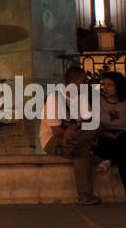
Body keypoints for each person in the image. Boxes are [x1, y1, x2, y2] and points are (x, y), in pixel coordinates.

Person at [39, 67, 100, 205]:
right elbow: (55, 129)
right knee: (82, 148)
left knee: (98, 126)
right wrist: (71, 133)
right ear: (76, 82)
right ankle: (85, 194)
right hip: (53, 140)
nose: (86, 84)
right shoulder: (54, 98)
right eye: (84, 81)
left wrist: (74, 128)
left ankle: (85, 195)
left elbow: (89, 121)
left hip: (73, 138)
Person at [93, 71, 126, 205]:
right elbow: (95, 126)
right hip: (105, 136)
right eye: (104, 85)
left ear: (118, 86)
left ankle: (109, 159)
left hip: (124, 136)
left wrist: (122, 134)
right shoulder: (98, 102)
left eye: (109, 85)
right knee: (125, 155)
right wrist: (108, 134)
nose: (105, 88)